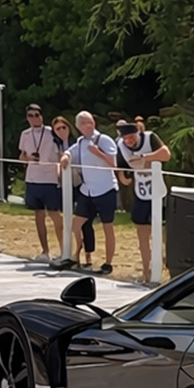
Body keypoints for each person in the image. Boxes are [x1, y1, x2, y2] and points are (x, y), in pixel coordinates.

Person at [61, 112, 119, 273]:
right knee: (76, 225)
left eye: (91, 122)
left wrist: (98, 152)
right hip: (88, 190)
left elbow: (114, 163)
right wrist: (65, 157)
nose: (89, 125)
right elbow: (69, 152)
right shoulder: (80, 142)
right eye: (85, 123)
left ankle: (108, 263)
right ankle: (75, 256)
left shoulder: (104, 140)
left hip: (106, 189)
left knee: (108, 227)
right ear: (79, 127)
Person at [116, 117, 170, 282]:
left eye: (132, 137)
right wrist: (123, 178)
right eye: (126, 139)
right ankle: (146, 270)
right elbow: (121, 165)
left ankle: (160, 267)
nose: (129, 141)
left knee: (159, 232)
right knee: (142, 233)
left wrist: (145, 157)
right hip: (140, 191)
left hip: (157, 190)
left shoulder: (150, 138)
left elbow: (166, 154)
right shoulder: (121, 146)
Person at [18, 102, 64, 262]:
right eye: (30, 116)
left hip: (50, 178)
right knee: (38, 215)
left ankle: (64, 249)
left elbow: (61, 154)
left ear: (41, 116)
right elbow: (21, 156)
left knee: (54, 214)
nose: (34, 118)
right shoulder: (25, 134)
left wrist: (60, 174)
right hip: (33, 178)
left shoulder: (52, 133)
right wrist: (28, 158)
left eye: (36, 115)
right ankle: (45, 251)